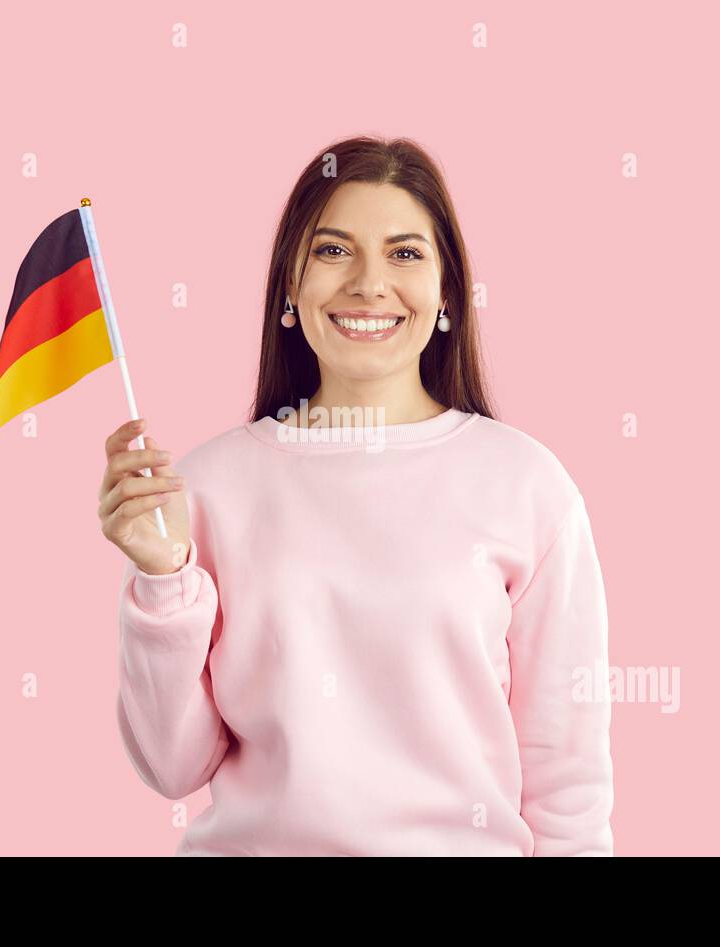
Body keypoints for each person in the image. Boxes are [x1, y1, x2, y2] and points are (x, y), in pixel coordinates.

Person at [97, 136, 614, 856]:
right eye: (333, 250)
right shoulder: (206, 488)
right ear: (289, 285)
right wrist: (161, 579)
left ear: (447, 295)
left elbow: (568, 787)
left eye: (405, 253)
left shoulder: (528, 486)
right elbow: (171, 766)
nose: (370, 284)